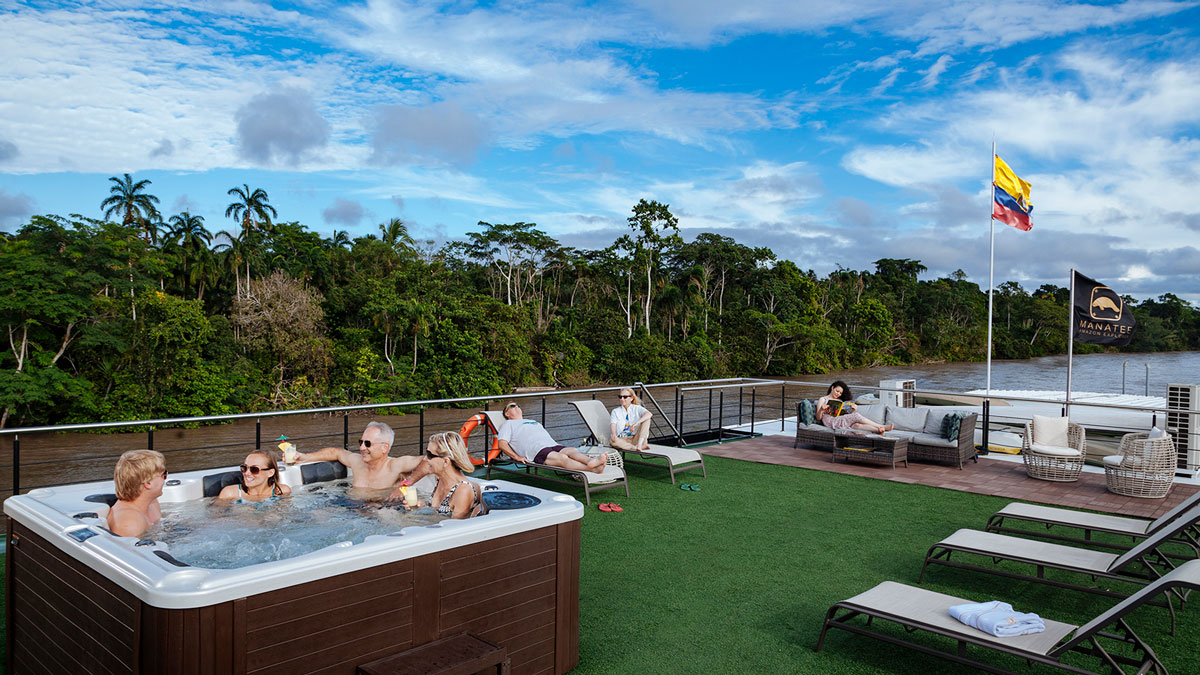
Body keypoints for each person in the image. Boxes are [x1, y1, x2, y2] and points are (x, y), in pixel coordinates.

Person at [293, 421, 429, 494]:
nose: (362, 448)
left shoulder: (396, 465)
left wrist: (407, 483)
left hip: (381, 509)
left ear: (384, 448)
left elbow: (429, 459)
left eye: (368, 443)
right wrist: (306, 457)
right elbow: (336, 452)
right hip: (351, 508)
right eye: (361, 442)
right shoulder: (357, 461)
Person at [497, 401, 609, 473]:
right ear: (507, 414)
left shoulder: (532, 421)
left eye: (518, 405)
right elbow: (502, 444)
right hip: (536, 450)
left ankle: (591, 461)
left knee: (572, 450)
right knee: (562, 459)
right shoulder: (508, 424)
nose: (516, 406)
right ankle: (591, 469)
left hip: (551, 444)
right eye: (512, 406)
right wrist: (517, 457)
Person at [419, 431, 486, 519]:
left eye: (429, 455)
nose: (425, 458)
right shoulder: (439, 479)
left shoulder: (463, 490)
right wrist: (421, 506)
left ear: (446, 461)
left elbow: (455, 528)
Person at [106, 449, 167, 538]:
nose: (164, 480)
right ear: (148, 483)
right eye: (163, 475)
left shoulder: (152, 503)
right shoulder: (129, 523)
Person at [817, 381, 893, 434]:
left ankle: (878, 430)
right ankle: (881, 426)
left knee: (857, 426)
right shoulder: (823, 399)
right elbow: (818, 418)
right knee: (856, 416)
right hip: (830, 422)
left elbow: (844, 415)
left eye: (840, 393)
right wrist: (821, 409)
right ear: (832, 388)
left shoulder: (839, 400)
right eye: (837, 391)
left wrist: (852, 410)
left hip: (839, 419)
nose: (838, 394)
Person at [218, 450, 292, 502]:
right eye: (244, 468)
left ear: (270, 473)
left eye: (254, 469)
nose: (247, 473)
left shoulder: (282, 491)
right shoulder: (229, 494)